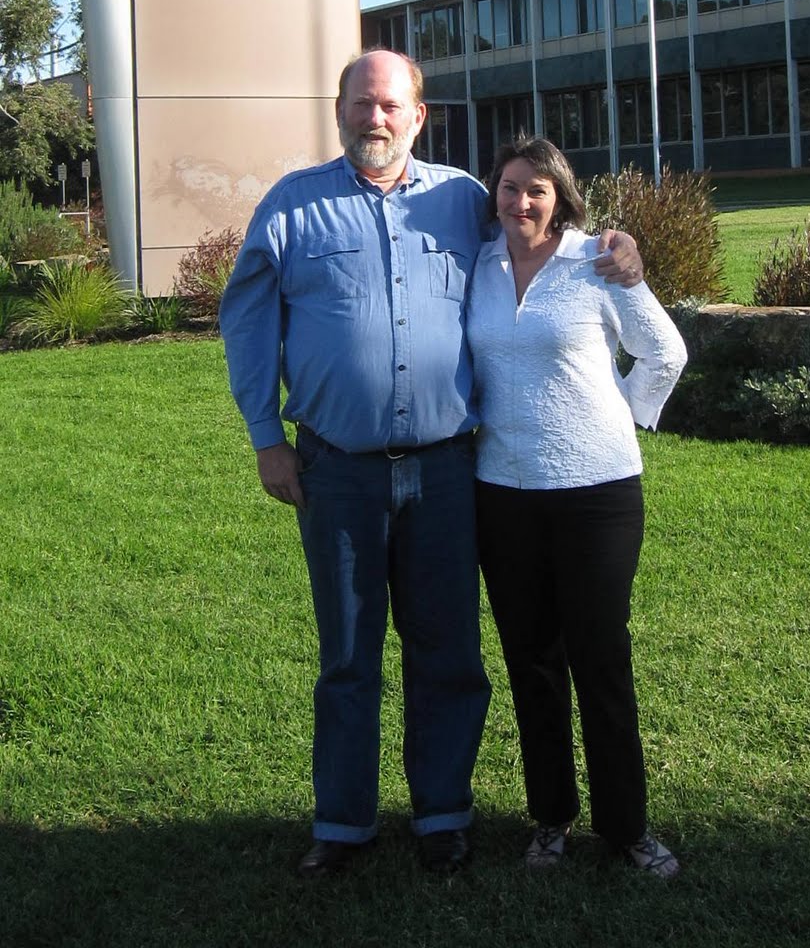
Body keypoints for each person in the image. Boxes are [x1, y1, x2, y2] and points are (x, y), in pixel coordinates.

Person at [219, 51, 643, 878]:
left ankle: (442, 816)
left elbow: (545, 233)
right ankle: (342, 824)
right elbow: (246, 321)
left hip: (450, 471)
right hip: (338, 471)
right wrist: (266, 437)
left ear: (420, 114)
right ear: (338, 110)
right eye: (360, 103)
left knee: (447, 650)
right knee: (347, 656)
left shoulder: (463, 201)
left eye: (390, 105)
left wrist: (619, 249)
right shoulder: (291, 208)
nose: (374, 119)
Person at [468, 137, 687, 878]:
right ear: (492, 195)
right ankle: (551, 820)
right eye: (508, 187)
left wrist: (623, 417)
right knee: (532, 664)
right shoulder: (479, 266)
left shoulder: (597, 260)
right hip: (503, 495)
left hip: (598, 496)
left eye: (536, 189)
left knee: (600, 660)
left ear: (560, 196)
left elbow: (665, 352)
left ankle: (627, 829)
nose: (520, 201)